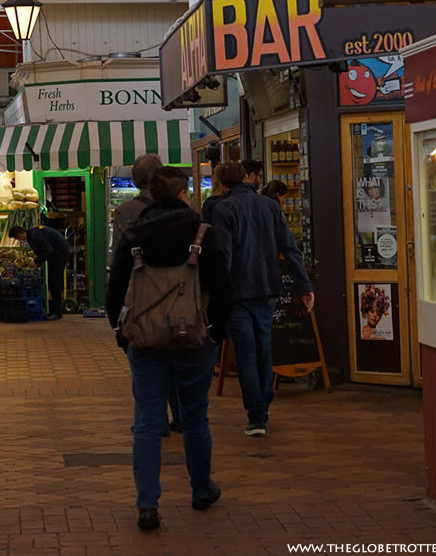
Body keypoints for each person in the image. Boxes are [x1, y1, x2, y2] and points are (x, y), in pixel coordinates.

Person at [107, 166, 232, 531]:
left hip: (144, 341)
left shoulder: (134, 236)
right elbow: (222, 288)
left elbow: (116, 288)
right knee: (194, 417)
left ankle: (147, 504)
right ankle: (200, 490)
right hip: (192, 338)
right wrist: (216, 332)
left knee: (147, 421)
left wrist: (121, 330)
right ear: (181, 195)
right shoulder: (202, 234)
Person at [208, 161, 313, 438]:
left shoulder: (223, 209)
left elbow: (224, 256)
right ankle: (263, 405)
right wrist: (304, 286)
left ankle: (257, 415)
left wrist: (215, 293)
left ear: (222, 183)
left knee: (246, 352)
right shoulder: (269, 206)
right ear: (245, 178)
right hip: (268, 287)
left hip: (238, 292)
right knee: (263, 347)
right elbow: (290, 248)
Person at [8, 223, 69, 320]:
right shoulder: (31, 235)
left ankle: (56, 312)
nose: (18, 240)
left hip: (60, 254)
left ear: (19, 236)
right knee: (52, 281)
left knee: (55, 281)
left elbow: (48, 250)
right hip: (55, 254)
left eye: (17, 239)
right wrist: (39, 261)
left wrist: (36, 261)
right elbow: (42, 250)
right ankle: (56, 311)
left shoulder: (36, 235)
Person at [110, 154, 162, 261]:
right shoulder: (177, 206)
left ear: (134, 179)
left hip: (138, 274)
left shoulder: (124, 211)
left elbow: (117, 258)